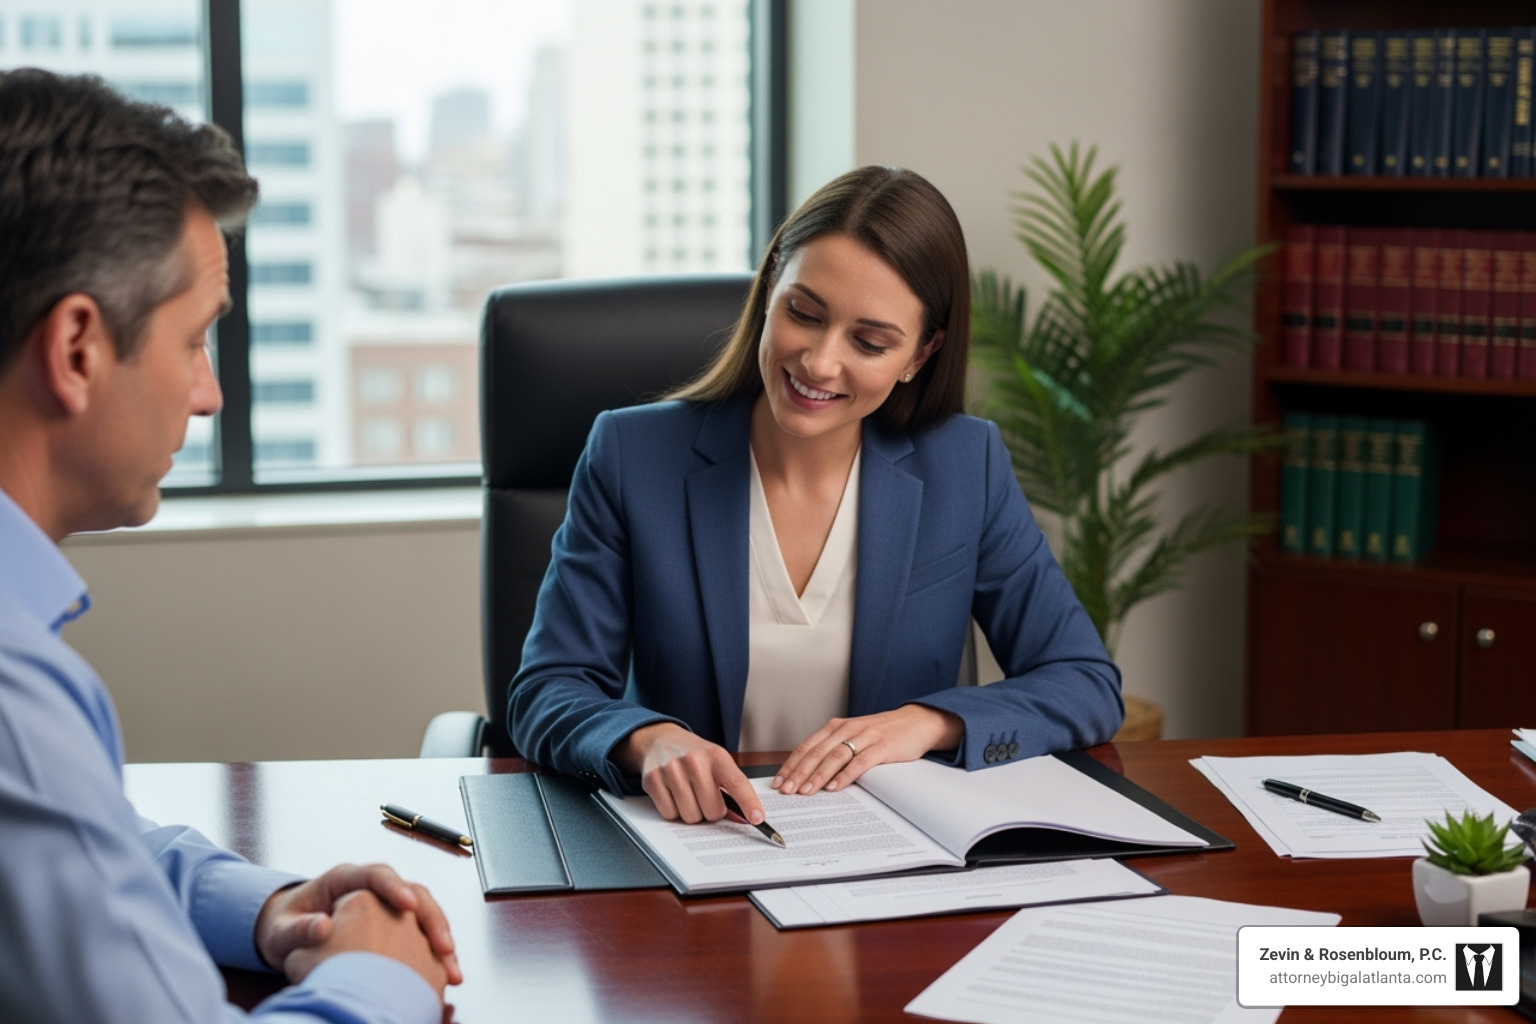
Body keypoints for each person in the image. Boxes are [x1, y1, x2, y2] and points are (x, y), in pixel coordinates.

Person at [0, 69, 459, 1023]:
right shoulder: (13, 695)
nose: (208, 397)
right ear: (78, 348)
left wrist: (268, 908)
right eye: (196, 341)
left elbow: (78, 843)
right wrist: (382, 978)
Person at [508, 165, 1124, 830]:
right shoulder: (634, 456)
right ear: (771, 286)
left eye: (870, 341)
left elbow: (1083, 680)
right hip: (701, 846)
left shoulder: (964, 466)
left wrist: (929, 723)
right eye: (805, 313)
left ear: (921, 353)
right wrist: (648, 738)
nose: (820, 363)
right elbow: (547, 689)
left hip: (891, 863)